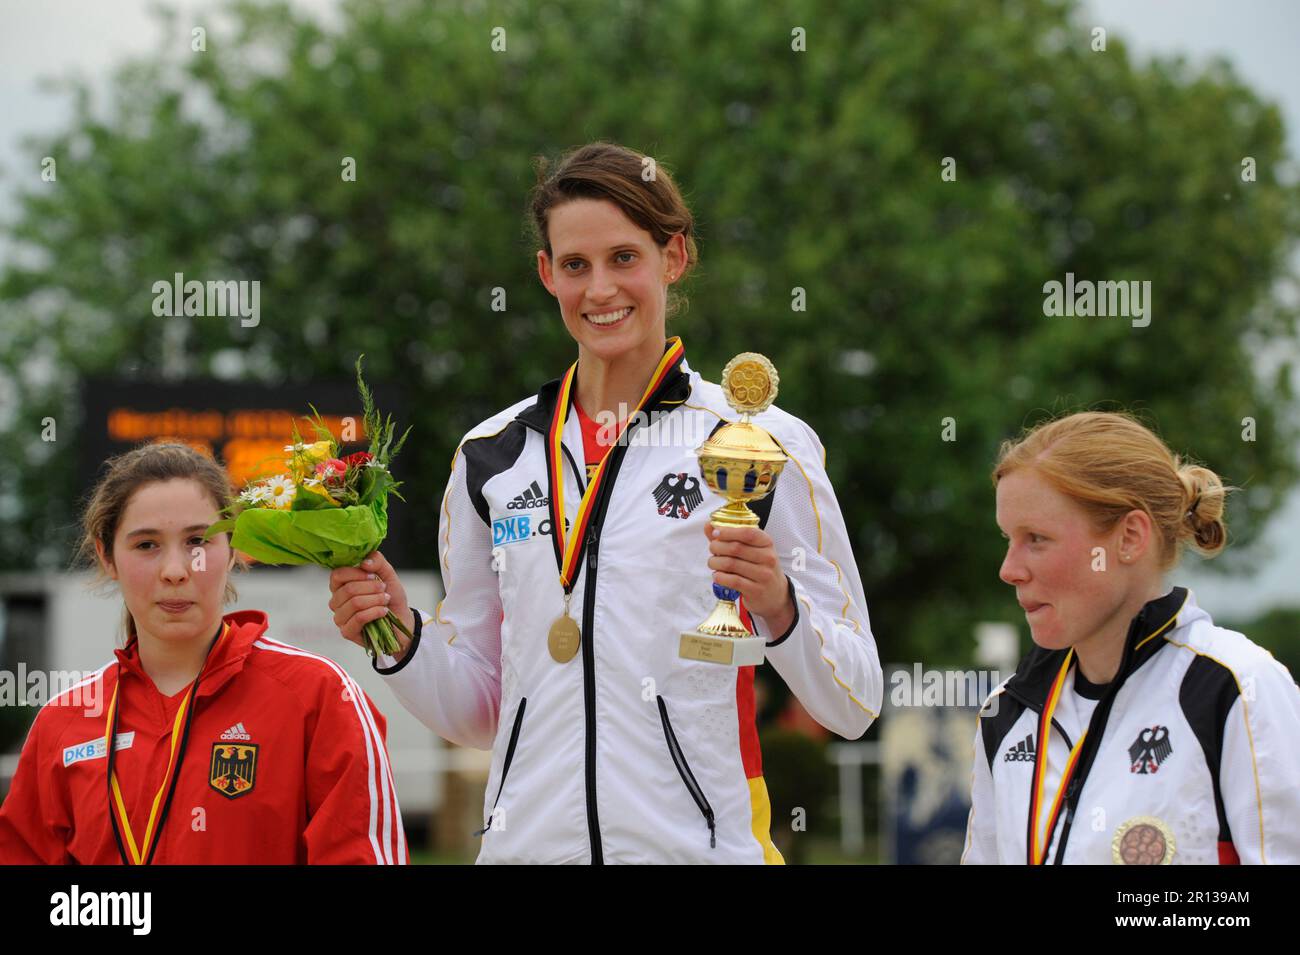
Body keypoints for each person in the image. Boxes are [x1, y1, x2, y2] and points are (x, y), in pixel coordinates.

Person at [329, 141, 882, 864]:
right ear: (545, 274)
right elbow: (483, 710)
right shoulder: (490, 455)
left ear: (673, 257)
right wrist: (400, 637)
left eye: (625, 258)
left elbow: (854, 700)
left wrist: (778, 605)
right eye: (575, 265)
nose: (600, 290)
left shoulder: (758, 440)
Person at [0, 443, 407, 865]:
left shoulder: (320, 696)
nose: (175, 570)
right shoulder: (64, 721)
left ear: (233, 549)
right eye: (146, 545)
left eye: (198, 541)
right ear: (107, 557)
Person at [963, 412, 1300, 864]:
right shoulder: (1008, 709)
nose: (1009, 569)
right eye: (1008, 538)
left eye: (1037, 539)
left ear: (1129, 538)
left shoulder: (1237, 687)